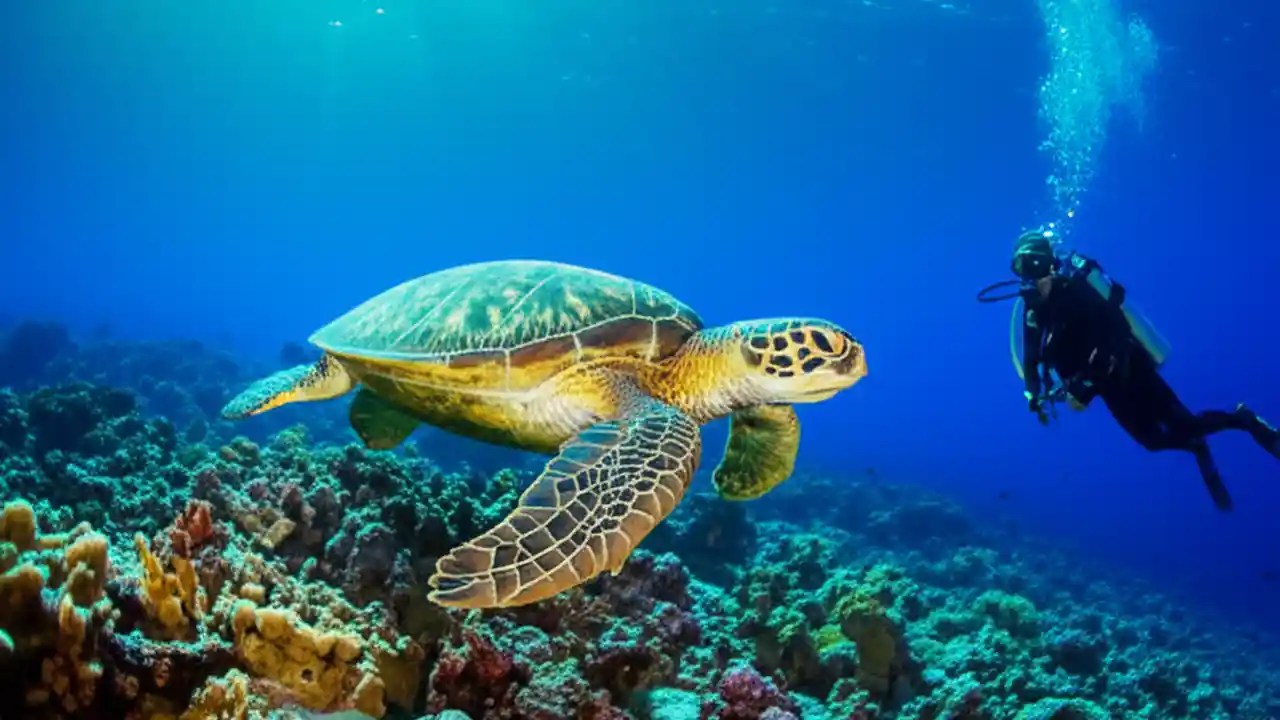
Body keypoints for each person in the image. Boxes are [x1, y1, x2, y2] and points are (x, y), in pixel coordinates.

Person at [1008, 228, 1280, 511]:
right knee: (1152, 441)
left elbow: (1116, 322)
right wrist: (1033, 395)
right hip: (1104, 387)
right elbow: (1031, 359)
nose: (1030, 274)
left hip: (1132, 368)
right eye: (1021, 267)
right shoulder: (1034, 311)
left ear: (1049, 261)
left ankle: (1244, 420)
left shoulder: (1077, 287)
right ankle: (1195, 446)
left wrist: (1101, 362)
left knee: (1185, 424)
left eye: (1034, 263)